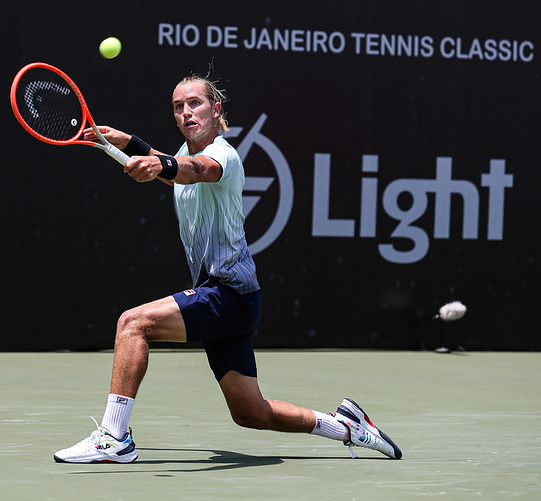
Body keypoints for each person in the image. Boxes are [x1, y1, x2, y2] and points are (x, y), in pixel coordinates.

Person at [53, 74, 402, 463]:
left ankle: (113, 437)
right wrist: (126, 143)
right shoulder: (180, 159)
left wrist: (157, 162)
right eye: (177, 106)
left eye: (195, 104)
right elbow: (177, 173)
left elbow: (196, 169)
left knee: (133, 324)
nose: (186, 112)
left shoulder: (224, 155)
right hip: (234, 299)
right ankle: (348, 426)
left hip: (227, 294)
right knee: (251, 413)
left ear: (215, 109)